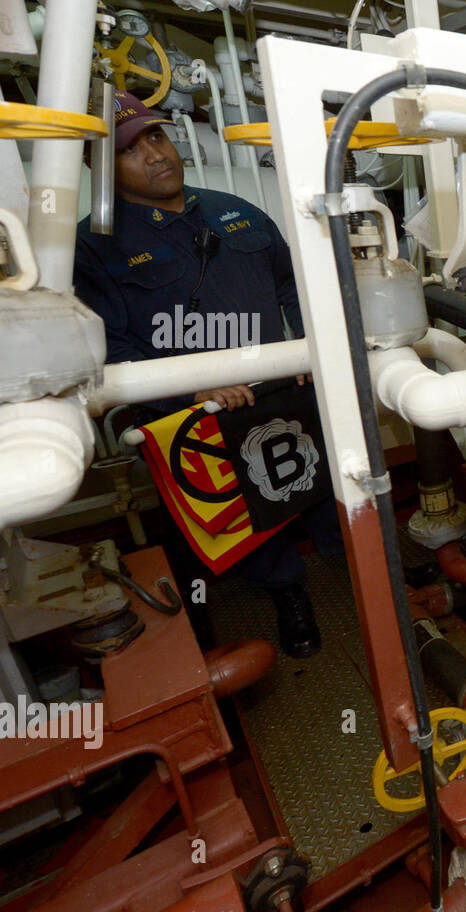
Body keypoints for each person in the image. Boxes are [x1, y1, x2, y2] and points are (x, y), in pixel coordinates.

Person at [73, 91, 338, 659]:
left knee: (322, 488)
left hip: (284, 392)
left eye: (156, 136)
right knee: (244, 517)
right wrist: (192, 388)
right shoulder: (92, 247)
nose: (156, 154)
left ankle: (361, 572)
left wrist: (301, 347)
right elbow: (106, 346)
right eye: (129, 149)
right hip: (197, 415)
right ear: (98, 167)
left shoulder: (232, 208)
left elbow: (293, 283)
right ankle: (289, 597)